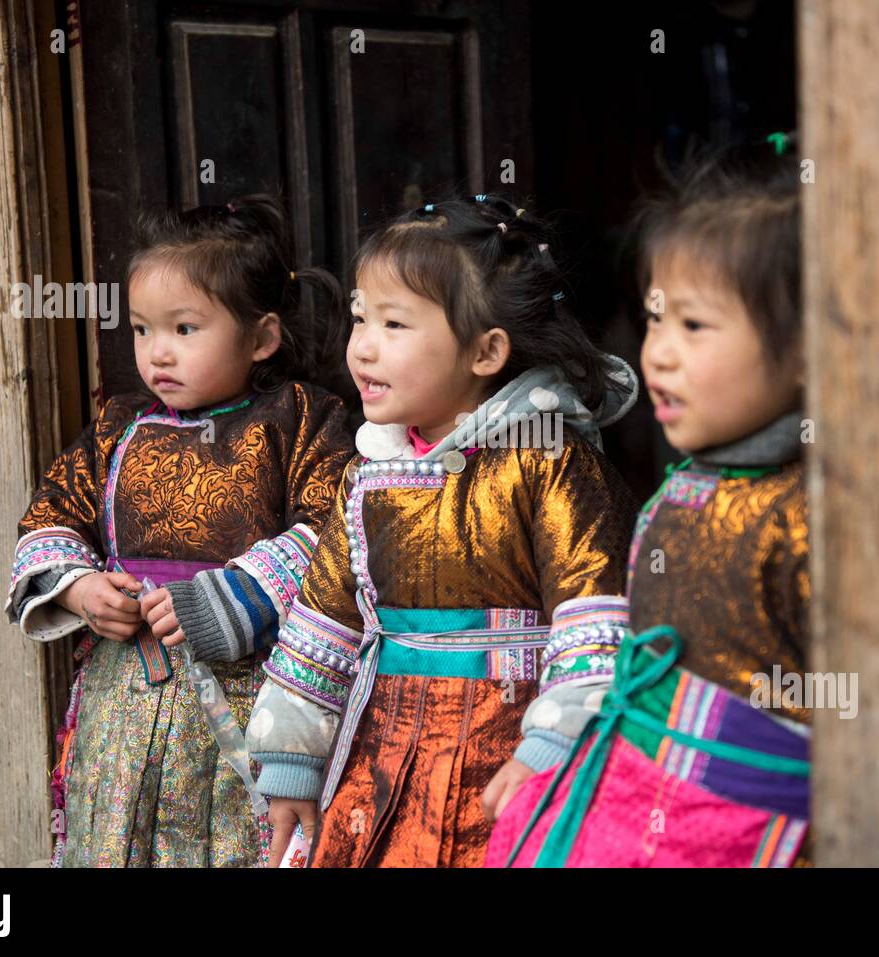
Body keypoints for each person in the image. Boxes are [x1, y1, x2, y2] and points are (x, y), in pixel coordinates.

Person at [246, 194, 640, 867]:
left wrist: (553, 746)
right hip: (382, 760)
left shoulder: (549, 462)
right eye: (361, 317)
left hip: (510, 760)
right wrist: (290, 759)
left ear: (486, 352)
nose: (362, 345)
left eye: (395, 323)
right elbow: (324, 622)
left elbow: (595, 621)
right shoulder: (370, 475)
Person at [487, 141, 812, 867]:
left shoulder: (813, 517)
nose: (657, 352)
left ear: (806, 350)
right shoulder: (683, 490)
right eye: (656, 319)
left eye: (693, 326)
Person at [5, 195, 354, 866]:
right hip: (125, 701)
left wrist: (227, 601)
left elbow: (335, 530)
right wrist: (78, 589)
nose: (156, 352)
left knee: (232, 844)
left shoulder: (299, 418)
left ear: (262, 337)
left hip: (247, 695)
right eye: (141, 330)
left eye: (184, 329)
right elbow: (53, 511)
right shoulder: (118, 425)